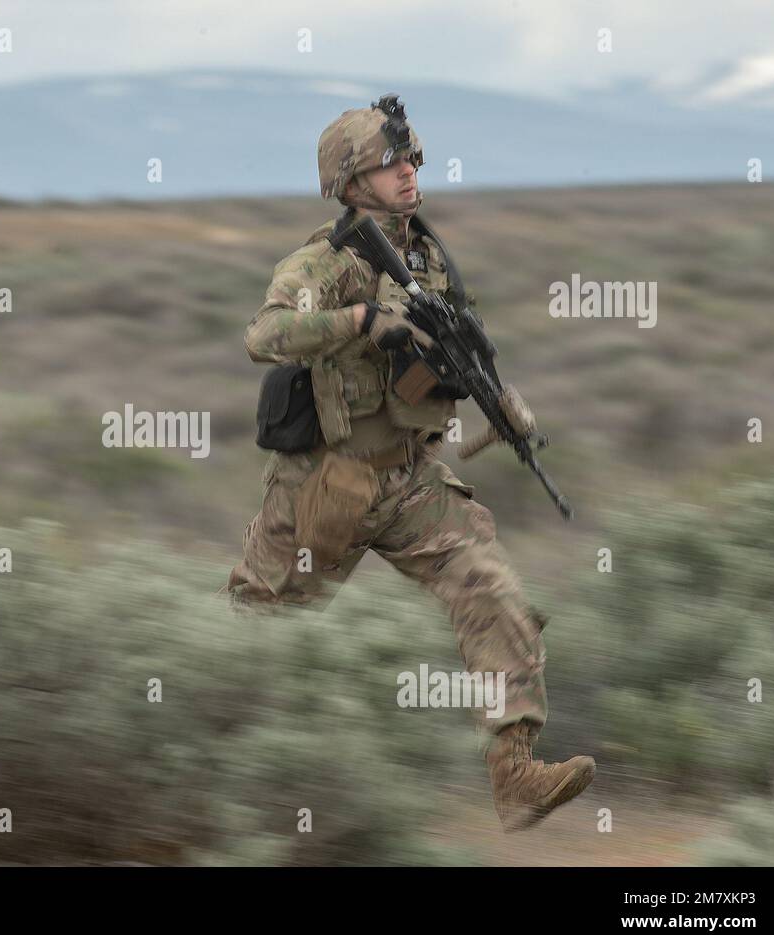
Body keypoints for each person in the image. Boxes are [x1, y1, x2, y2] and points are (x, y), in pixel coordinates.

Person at [223, 94, 595, 831]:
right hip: (327, 484)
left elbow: (450, 357)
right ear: (350, 179)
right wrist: (360, 322)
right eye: (391, 163)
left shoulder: (423, 257)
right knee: (254, 636)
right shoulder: (326, 262)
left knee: (494, 594)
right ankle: (208, 779)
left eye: (413, 159)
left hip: (412, 480)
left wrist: (502, 406)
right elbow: (264, 335)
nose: (409, 173)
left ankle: (515, 777)